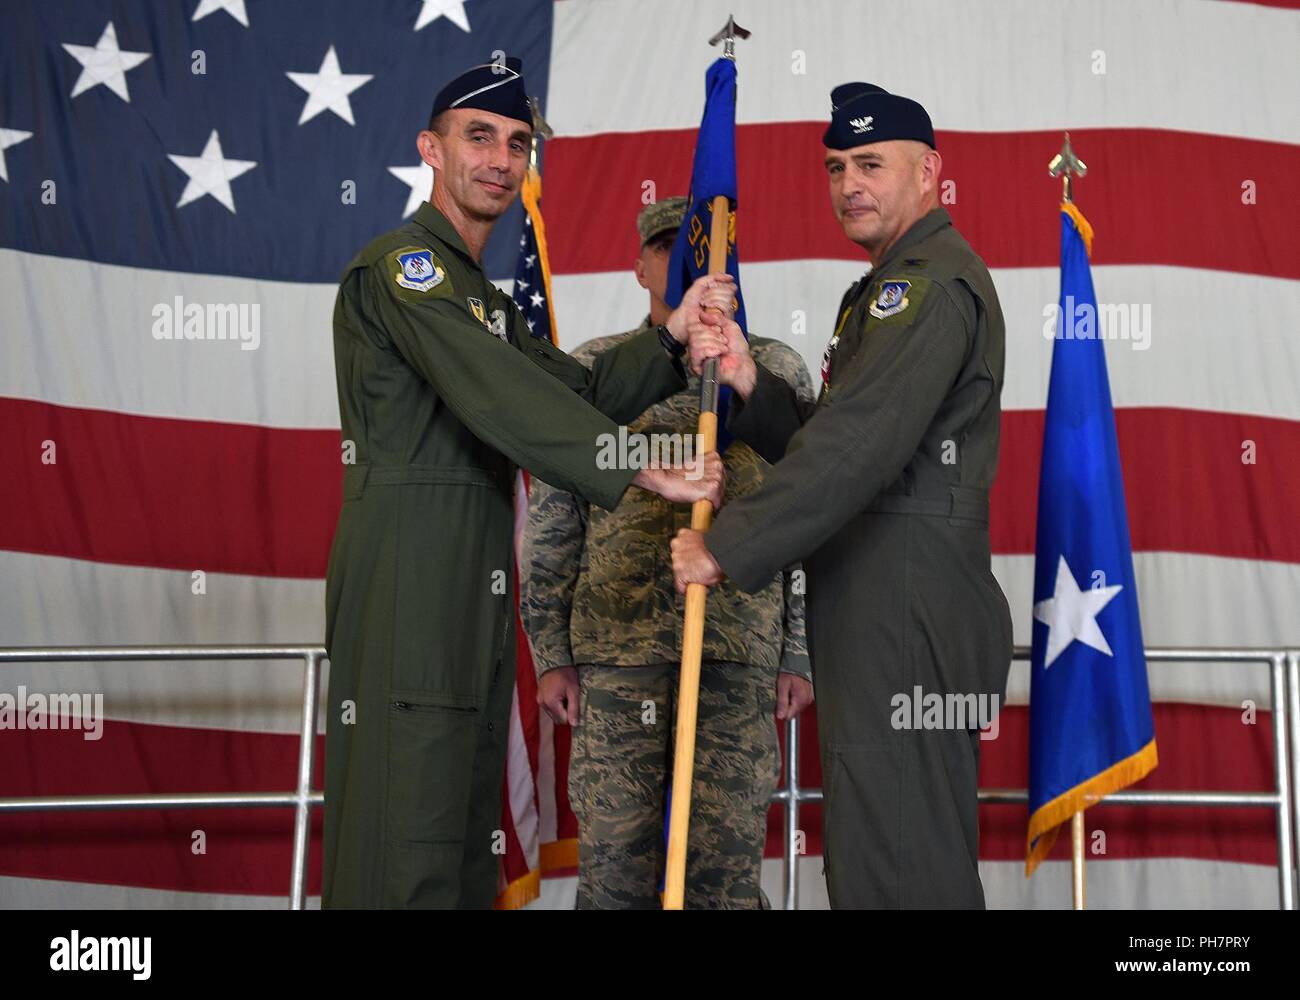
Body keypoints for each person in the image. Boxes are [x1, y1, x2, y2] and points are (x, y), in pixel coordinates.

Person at [323, 57, 732, 909]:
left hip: (470, 577)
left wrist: (668, 336)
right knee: (411, 832)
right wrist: (634, 464)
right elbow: (500, 394)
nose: (502, 160)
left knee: (465, 827)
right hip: (410, 574)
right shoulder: (407, 270)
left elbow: (569, 392)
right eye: (480, 138)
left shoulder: (484, 298)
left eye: (517, 144)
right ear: (430, 150)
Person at [672, 83, 1013, 908]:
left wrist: (726, 544)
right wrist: (754, 385)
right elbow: (854, 440)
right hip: (883, 601)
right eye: (834, 166)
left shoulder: (923, 288)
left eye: (869, 163)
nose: (848, 183)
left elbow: (858, 449)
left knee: (900, 870)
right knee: (879, 860)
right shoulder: (888, 285)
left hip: (904, 606)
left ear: (929, 171)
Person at [520, 196, 816, 909]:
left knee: (722, 869)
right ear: (639, 264)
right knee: (616, 866)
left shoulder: (774, 369)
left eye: (701, 251)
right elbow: (555, 519)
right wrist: (550, 650)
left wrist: (798, 650)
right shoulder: (598, 370)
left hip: (736, 652)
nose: (683, 263)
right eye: (665, 247)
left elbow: (809, 513)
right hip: (616, 654)